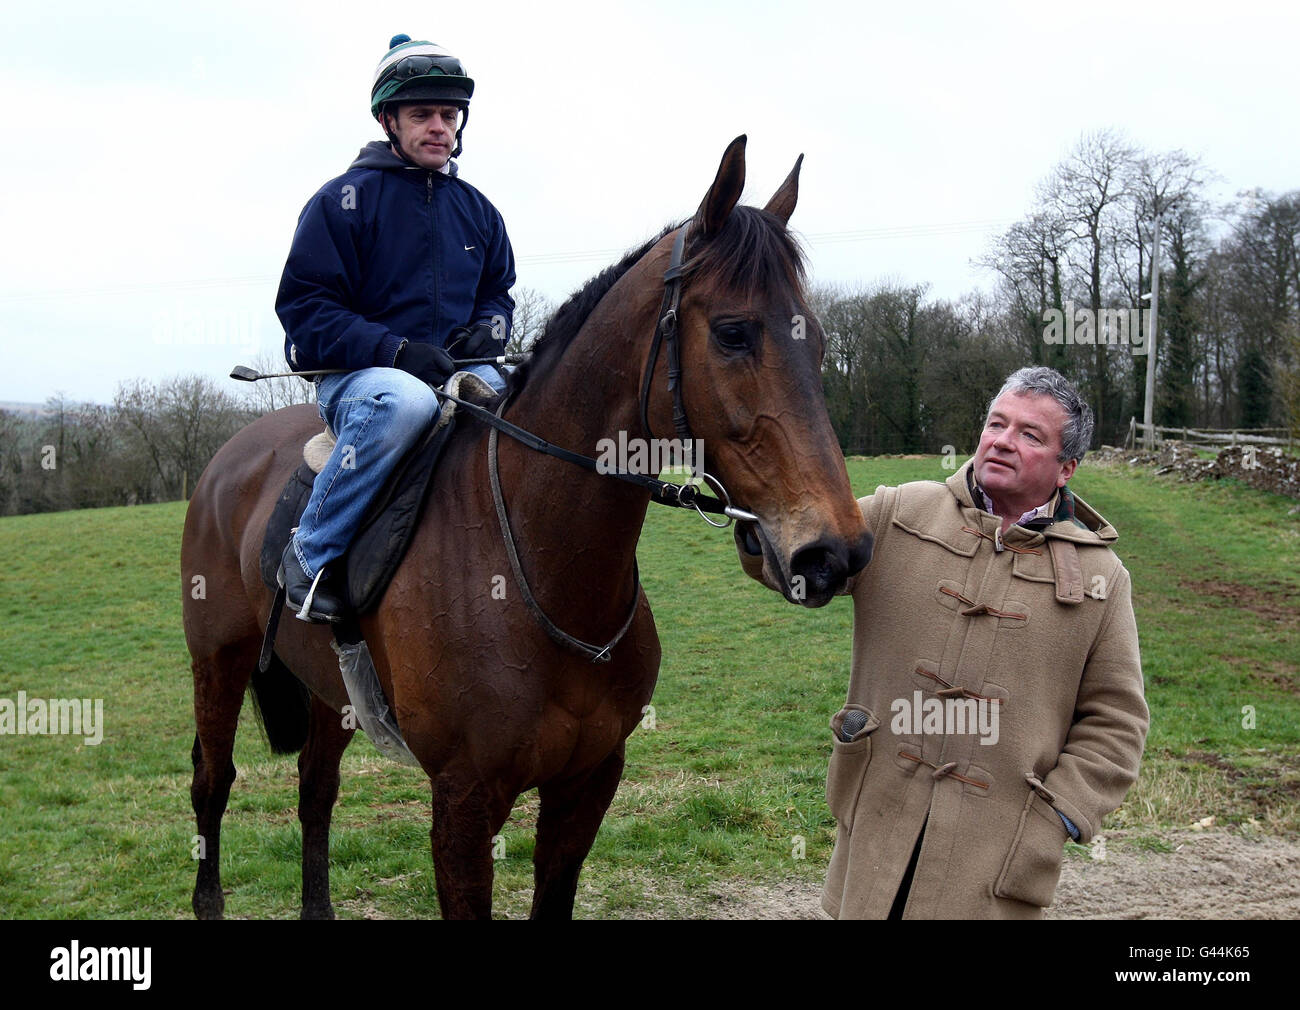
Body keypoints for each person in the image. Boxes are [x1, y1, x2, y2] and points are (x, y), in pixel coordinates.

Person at [736, 366, 1149, 918]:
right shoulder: (898, 512)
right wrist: (759, 519)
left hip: (997, 859)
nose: (1003, 440)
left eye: (1030, 434)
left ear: (1066, 467)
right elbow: (806, 568)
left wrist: (1059, 816)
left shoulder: (1102, 579)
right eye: (996, 424)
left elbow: (1117, 721)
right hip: (876, 822)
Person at [274, 35, 515, 622]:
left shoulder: (480, 211)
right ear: (389, 120)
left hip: (456, 372)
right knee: (405, 403)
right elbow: (305, 309)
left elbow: (498, 294)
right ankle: (308, 557)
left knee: (523, 403)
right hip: (360, 380)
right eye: (422, 115)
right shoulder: (339, 203)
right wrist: (396, 351)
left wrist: (490, 328)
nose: (440, 127)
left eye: (449, 115)